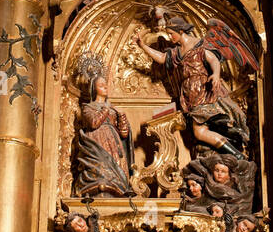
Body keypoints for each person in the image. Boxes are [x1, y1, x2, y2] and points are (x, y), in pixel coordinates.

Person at [134, 14, 256, 156]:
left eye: (171, 34)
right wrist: (142, 46)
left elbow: (214, 60)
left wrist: (216, 74)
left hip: (203, 89)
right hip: (190, 93)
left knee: (200, 131)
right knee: (201, 131)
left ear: (181, 31)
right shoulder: (178, 51)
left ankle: (237, 152)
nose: (170, 38)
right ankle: (234, 150)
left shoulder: (199, 44)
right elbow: (162, 58)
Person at [74, 74, 134, 198]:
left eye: (105, 85)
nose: (105, 87)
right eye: (101, 85)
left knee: (118, 172)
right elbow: (93, 122)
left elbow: (124, 133)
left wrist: (121, 116)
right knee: (101, 167)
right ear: (94, 89)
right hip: (97, 141)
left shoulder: (113, 110)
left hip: (114, 143)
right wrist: (106, 109)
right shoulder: (88, 107)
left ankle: (118, 186)